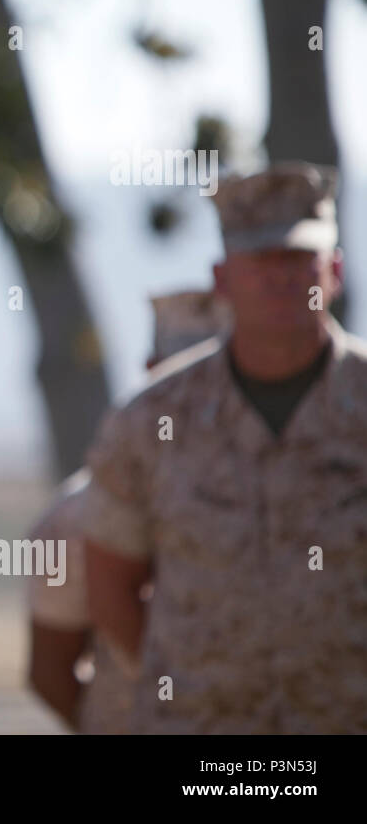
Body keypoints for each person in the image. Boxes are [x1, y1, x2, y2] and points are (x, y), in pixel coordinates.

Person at [84, 162, 367, 733]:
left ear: (334, 271)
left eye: (298, 260)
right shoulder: (152, 420)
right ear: (221, 279)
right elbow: (111, 583)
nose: (281, 280)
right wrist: (199, 677)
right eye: (260, 262)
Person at [26, 290, 229, 733]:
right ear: (153, 373)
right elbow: (50, 671)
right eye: (186, 376)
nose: (205, 397)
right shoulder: (75, 520)